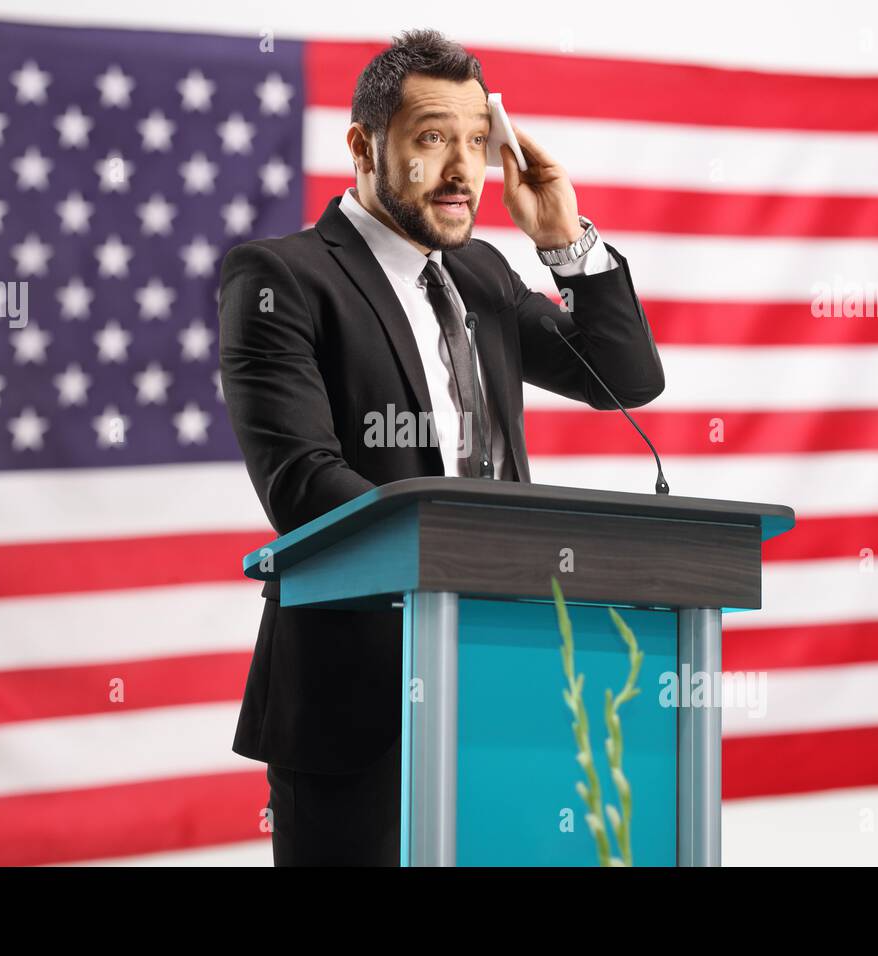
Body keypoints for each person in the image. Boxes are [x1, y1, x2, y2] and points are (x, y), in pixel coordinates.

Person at [218, 28, 664, 865]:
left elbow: (625, 379)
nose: (466, 170)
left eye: (476, 141)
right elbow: (304, 482)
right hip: (357, 705)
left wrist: (564, 240)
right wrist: (474, 558)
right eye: (432, 140)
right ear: (364, 145)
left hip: (504, 686)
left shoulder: (484, 275)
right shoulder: (281, 277)